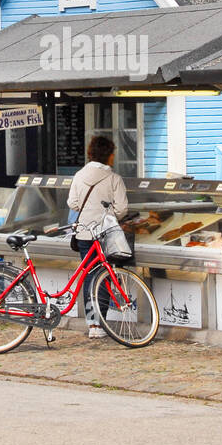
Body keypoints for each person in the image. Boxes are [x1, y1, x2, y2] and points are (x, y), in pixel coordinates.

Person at [66, 136, 129, 339]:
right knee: (103, 277)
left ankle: (93, 325)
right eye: (113, 154)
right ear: (109, 155)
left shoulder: (79, 175)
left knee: (90, 276)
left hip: (84, 234)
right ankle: (99, 323)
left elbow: (73, 203)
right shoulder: (114, 179)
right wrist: (109, 216)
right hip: (105, 234)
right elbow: (122, 209)